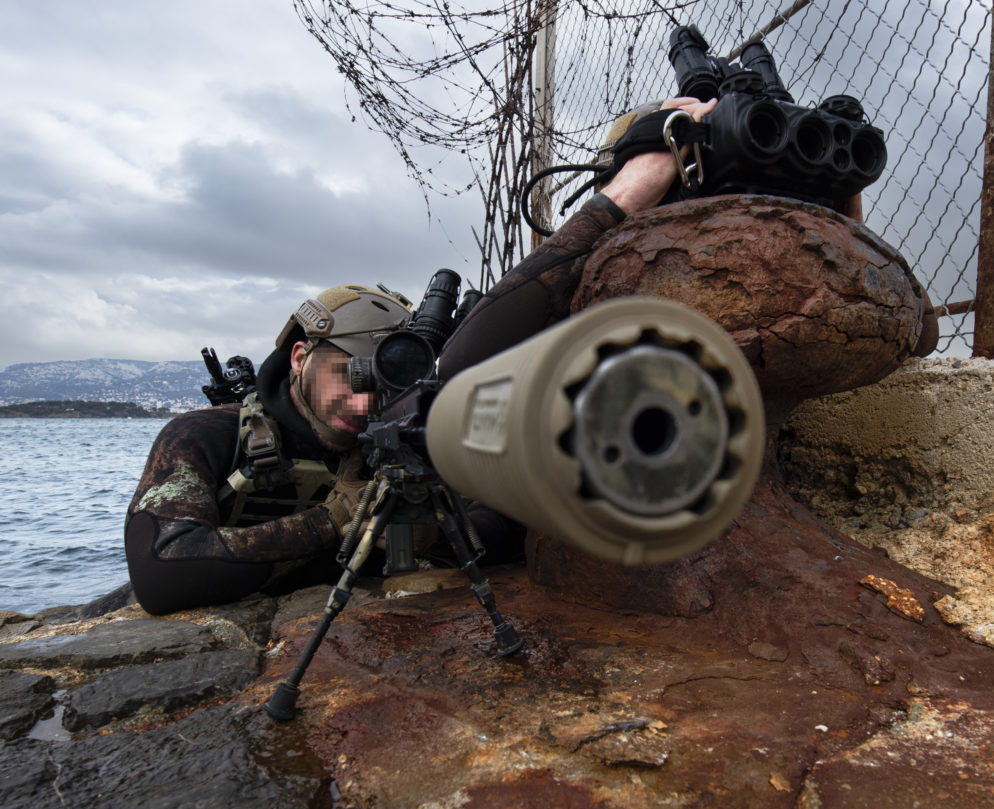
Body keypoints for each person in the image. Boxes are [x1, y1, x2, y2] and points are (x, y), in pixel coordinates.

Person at [125, 97, 719, 616]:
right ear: (301, 356)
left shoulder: (385, 430)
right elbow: (162, 575)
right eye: (347, 375)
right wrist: (333, 521)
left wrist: (435, 525)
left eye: (377, 384)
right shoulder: (204, 438)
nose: (361, 403)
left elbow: (495, 526)